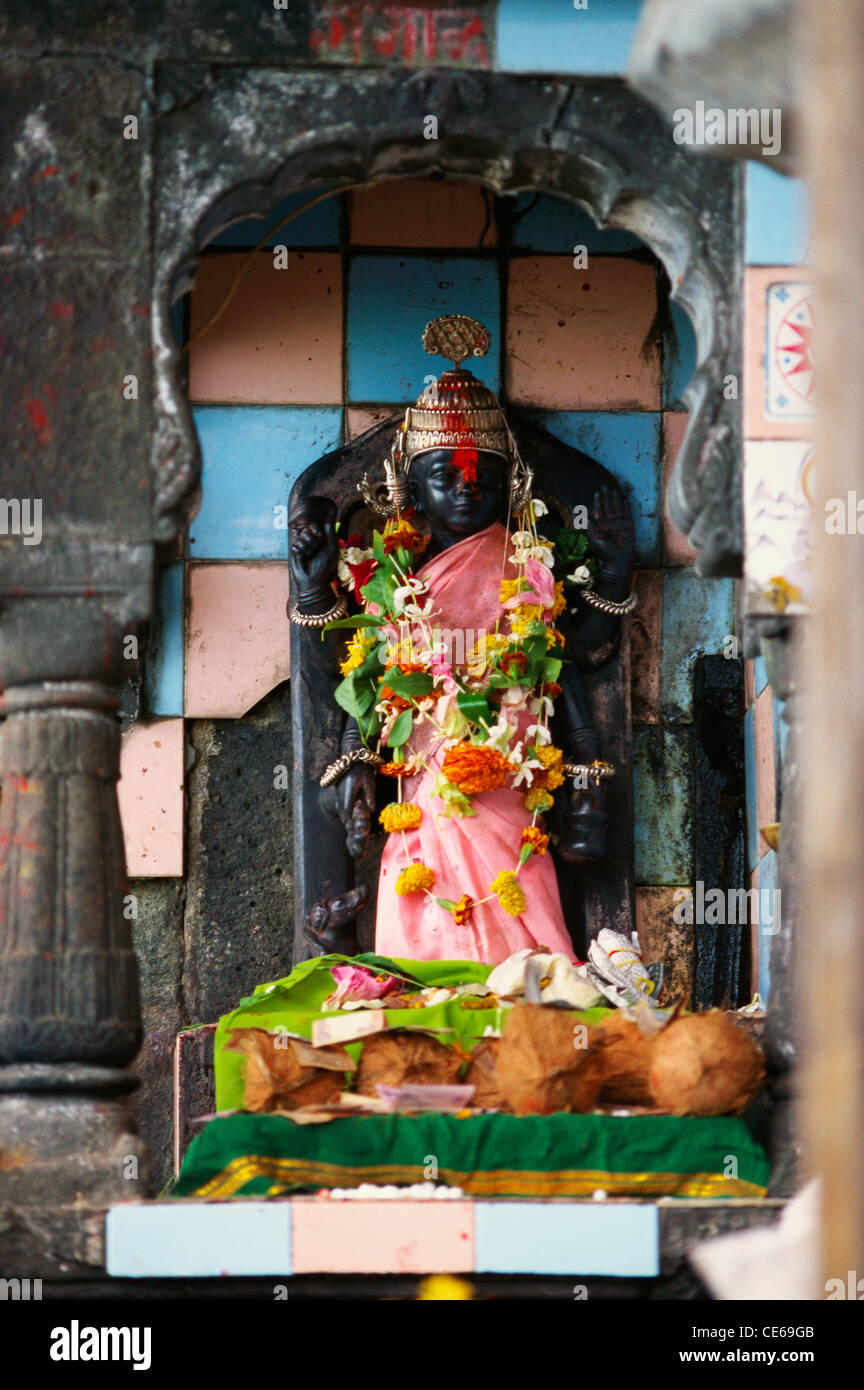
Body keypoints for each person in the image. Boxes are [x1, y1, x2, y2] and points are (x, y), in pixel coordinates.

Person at [290, 314, 636, 963]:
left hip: (514, 785)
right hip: (423, 788)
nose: (465, 491)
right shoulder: (397, 583)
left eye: (482, 478)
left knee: (524, 923)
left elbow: (577, 660)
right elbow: (362, 679)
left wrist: (612, 576)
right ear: (409, 489)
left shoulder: (527, 575)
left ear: (510, 486)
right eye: (446, 477)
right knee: (422, 913)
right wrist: (315, 593)